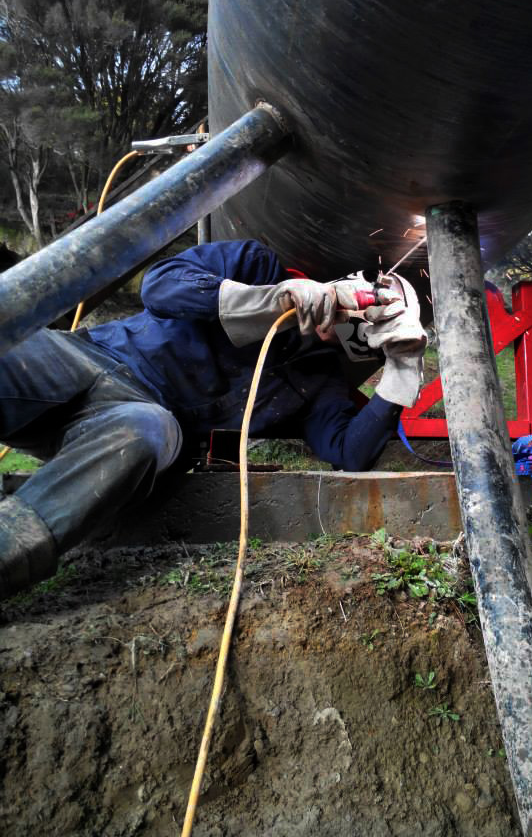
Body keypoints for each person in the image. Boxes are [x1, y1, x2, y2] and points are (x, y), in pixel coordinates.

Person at [0, 239, 426, 598]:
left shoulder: (317, 382)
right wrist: (275, 300)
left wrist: (402, 369)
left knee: (146, 432)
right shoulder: (254, 264)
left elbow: (348, 452)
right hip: (87, 357)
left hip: (138, 419)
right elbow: (160, 287)